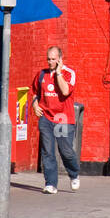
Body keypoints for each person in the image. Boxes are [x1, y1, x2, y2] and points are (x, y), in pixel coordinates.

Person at [32, 46, 79, 194]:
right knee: (47, 151)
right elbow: (35, 92)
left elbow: (65, 91)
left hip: (62, 118)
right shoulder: (41, 75)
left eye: (53, 59)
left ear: (60, 58)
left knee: (65, 151)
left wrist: (58, 73)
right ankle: (50, 184)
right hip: (46, 117)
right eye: (48, 59)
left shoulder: (69, 73)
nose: (50, 62)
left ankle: (74, 174)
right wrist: (34, 104)